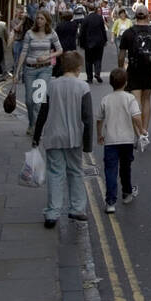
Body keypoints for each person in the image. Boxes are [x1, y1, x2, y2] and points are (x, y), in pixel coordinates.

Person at [33, 50, 93, 227]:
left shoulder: (51, 85)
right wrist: (88, 145)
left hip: (53, 135)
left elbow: (42, 113)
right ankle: (76, 209)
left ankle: (52, 212)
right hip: (74, 137)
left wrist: (36, 136)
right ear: (78, 68)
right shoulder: (83, 87)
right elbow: (87, 118)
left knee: (55, 173)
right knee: (75, 171)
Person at [97, 67, 142, 214]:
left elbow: (99, 119)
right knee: (125, 168)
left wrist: (99, 134)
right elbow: (136, 116)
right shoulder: (130, 98)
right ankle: (127, 193)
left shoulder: (106, 99)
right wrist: (141, 130)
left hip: (111, 140)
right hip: (127, 140)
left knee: (111, 171)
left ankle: (110, 202)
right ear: (126, 82)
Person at [119, 5, 151, 137]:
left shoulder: (128, 33)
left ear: (135, 16)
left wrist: (121, 70)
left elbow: (121, 55)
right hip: (150, 70)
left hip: (134, 70)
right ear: (148, 16)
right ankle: (145, 130)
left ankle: (138, 132)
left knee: (135, 100)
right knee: (146, 100)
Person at [15, 9, 62, 133]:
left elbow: (59, 50)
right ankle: (31, 123)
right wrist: (17, 71)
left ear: (47, 20)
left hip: (45, 69)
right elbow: (23, 52)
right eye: (38, 18)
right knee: (29, 101)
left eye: (42, 18)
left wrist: (48, 56)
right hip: (30, 69)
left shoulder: (51, 33)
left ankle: (37, 127)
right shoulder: (29, 33)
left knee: (38, 100)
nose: (39, 21)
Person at [80, 1, 108, 83]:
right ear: (95, 9)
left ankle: (89, 78)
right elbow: (103, 30)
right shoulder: (99, 18)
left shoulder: (86, 19)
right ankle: (97, 73)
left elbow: (82, 32)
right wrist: (105, 40)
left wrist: (81, 43)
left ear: (88, 9)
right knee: (98, 59)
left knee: (88, 61)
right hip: (99, 42)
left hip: (88, 43)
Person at [53, 9, 79, 77]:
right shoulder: (74, 25)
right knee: (70, 61)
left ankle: (60, 73)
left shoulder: (60, 25)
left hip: (61, 45)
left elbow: (56, 36)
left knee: (61, 61)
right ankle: (69, 72)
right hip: (71, 45)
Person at [9, 7, 29, 77]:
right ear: (16, 13)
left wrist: (27, 19)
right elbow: (16, 29)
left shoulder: (26, 21)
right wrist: (21, 22)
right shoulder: (13, 21)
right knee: (16, 59)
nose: (21, 14)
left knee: (24, 59)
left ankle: (24, 76)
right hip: (16, 42)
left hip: (24, 41)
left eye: (22, 12)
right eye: (20, 12)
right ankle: (16, 75)